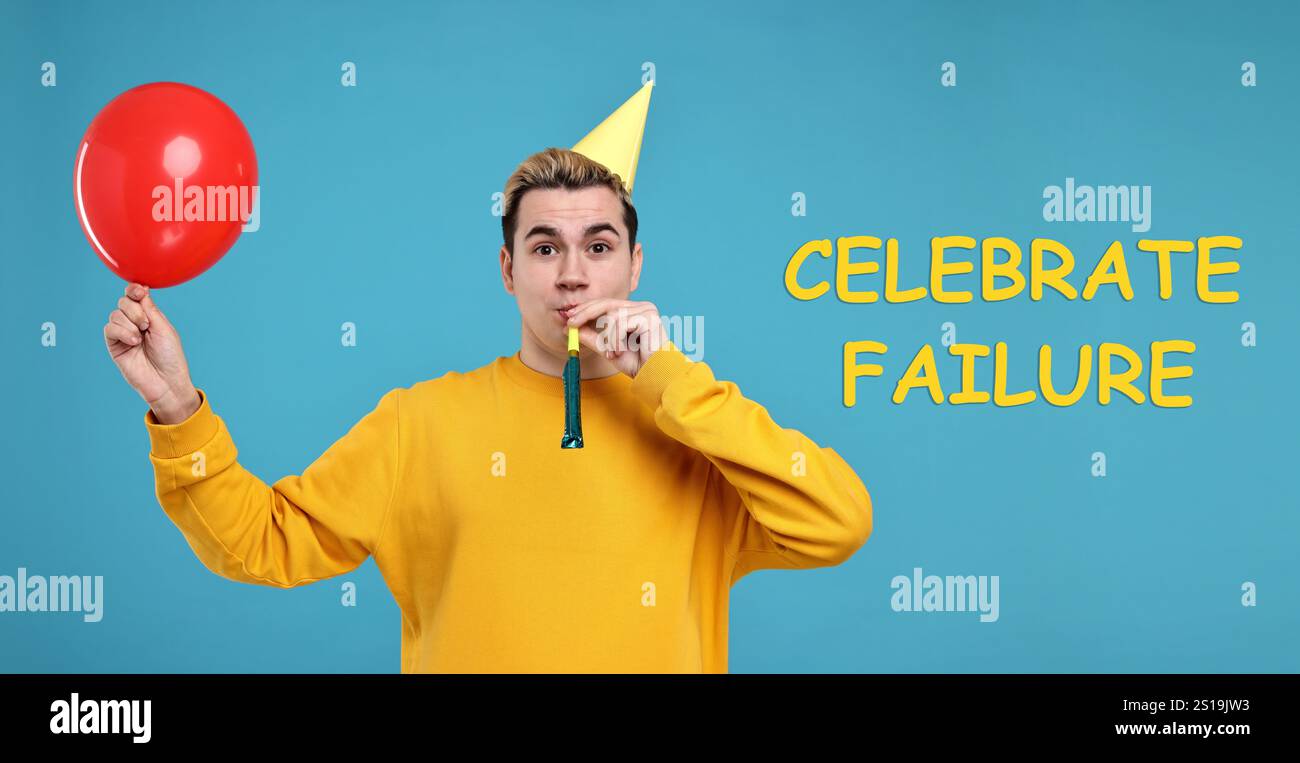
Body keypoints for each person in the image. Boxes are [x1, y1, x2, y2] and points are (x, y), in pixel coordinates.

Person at [102, 85, 873, 673]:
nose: (573, 274)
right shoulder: (420, 423)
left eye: (598, 245)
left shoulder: (697, 432)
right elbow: (265, 542)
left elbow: (839, 521)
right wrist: (176, 407)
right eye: (544, 248)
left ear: (635, 266)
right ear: (508, 269)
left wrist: (672, 382)